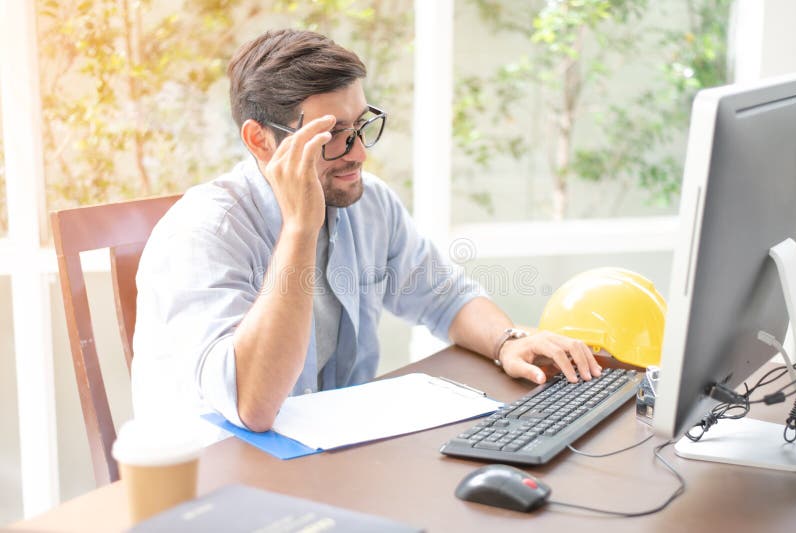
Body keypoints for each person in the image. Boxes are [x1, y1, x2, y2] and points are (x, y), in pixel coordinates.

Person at [131, 28, 602, 432]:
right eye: (331, 134)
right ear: (260, 139)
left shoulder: (367, 202)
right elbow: (252, 404)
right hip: (219, 478)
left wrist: (509, 341)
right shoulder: (203, 233)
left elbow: (444, 295)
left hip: (329, 457)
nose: (357, 153)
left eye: (360, 126)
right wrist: (299, 227)